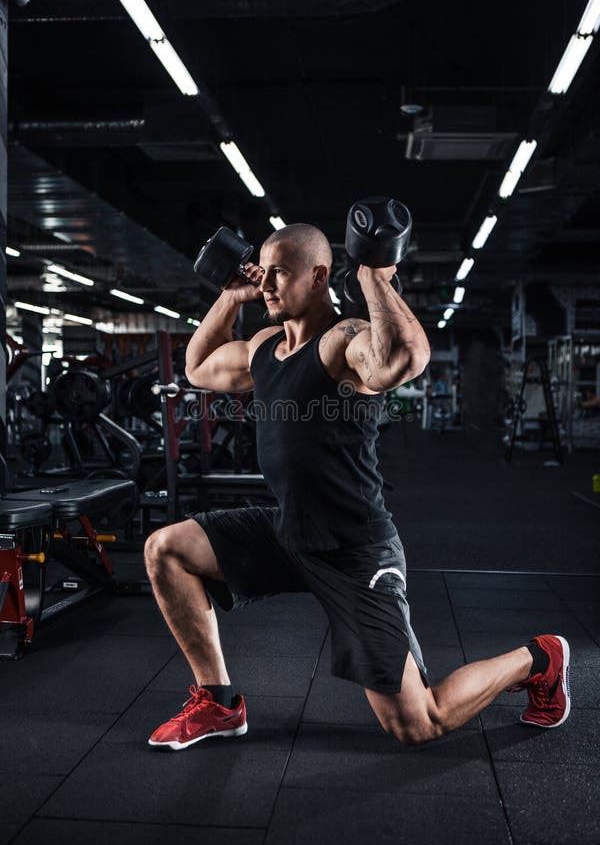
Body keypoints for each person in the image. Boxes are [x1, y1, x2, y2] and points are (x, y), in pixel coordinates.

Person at [144, 223, 570, 751]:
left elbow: (403, 360)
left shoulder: (343, 342)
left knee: (418, 722)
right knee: (166, 549)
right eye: (264, 270)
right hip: (287, 531)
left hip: (354, 551)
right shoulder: (264, 346)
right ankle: (219, 702)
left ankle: (540, 657)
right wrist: (232, 296)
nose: (267, 282)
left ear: (320, 275)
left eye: (279, 272)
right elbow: (198, 367)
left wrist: (373, 277)